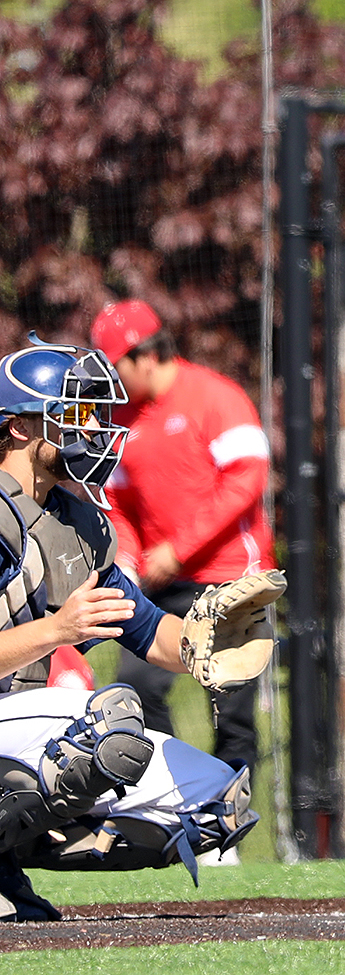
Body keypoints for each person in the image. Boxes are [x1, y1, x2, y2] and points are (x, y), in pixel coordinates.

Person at [0, 338, 258, 921]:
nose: (89, 426)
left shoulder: (77, 522)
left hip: (17, 726)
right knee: (104, 724)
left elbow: (147, 628)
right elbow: (57, 634)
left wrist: (211, 646)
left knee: (215, 798)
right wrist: (56, 629)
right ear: (18, 427)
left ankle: (9, 861)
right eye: (71, 413)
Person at [89, 301, 272, 799]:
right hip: (161, 585)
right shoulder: (124, 420)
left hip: (231, 578)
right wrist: (124, 558)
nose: (114, 379)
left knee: (230, 703)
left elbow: (247, 478)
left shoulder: (215, 397)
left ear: (144, 356)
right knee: (138, 689)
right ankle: (176, 802)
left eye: (115, 366)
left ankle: (228, 820)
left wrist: (178, 548)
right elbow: (118, 505)